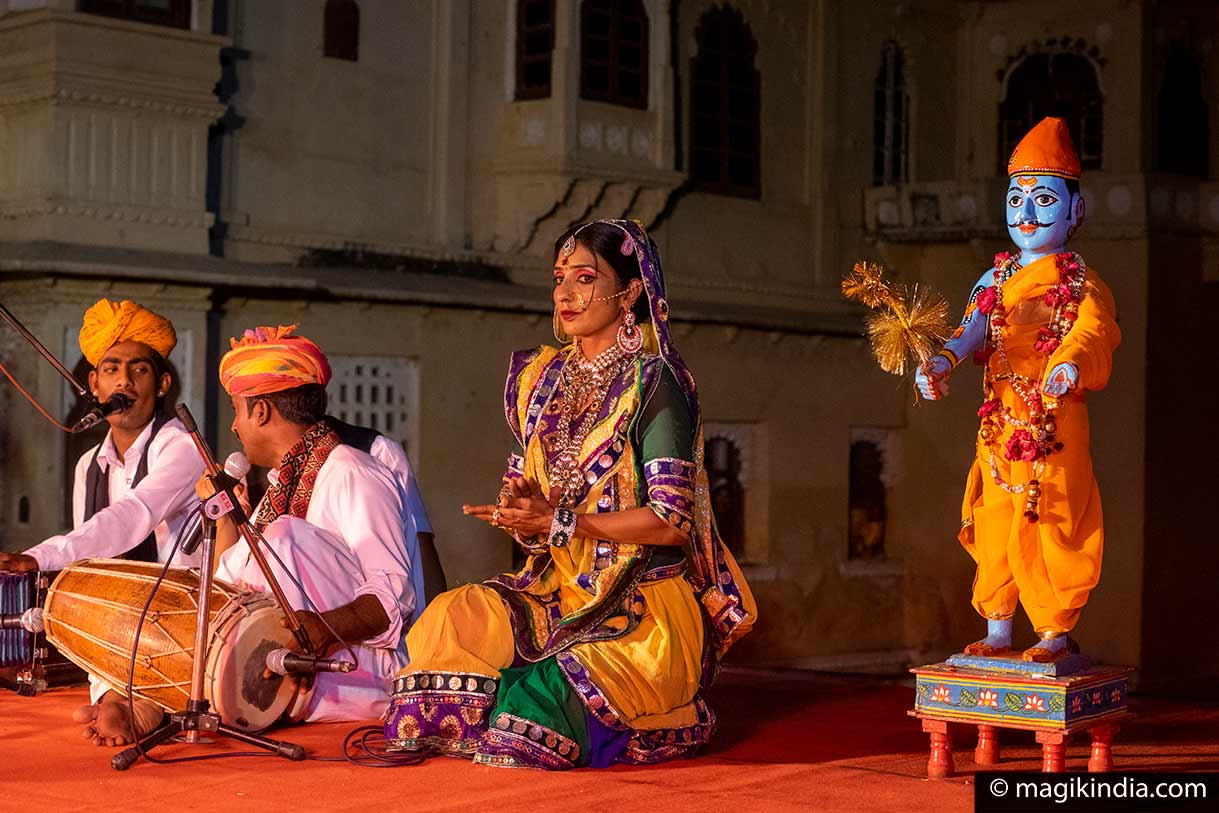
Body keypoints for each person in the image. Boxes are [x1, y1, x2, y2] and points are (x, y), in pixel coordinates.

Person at [383, 219, 756, 769]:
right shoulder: (540, 380)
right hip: (556, 593)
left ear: (630, 292)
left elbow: (671, 521)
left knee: (535, 704)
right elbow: (541, 527)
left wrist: (561, 522)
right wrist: (523, 515)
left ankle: (514, 712)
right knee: (450, 613)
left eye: (584, 277)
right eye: (559, 277)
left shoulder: (654, 383)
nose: (564, 293)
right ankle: (471, 718)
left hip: (642, 607)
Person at [914, 117, 1121, 662]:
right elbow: (969, 331)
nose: (1026, 214)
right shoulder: (996, 279)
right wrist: (940, 363)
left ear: (1075, 211)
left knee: (1051, 517)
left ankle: (1053, 631)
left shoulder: (1079, 282)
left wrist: (1071, 361)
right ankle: (999, 628)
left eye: (1044, 200)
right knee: (996, 517)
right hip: (1000, 423)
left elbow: (1094, 330)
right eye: (1015, 200)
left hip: (1053, 425)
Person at [0, 298, 206, 745]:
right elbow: (95, 562)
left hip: (184, 620)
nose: (124, 382)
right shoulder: (88, 465)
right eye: (112, 370)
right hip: (119, 620)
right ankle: (116, 696)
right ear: (94, 384)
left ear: (163, 383)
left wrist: (40, 556)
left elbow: (132, 516)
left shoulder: (182, 446)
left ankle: (134, 701)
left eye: (139, 371)